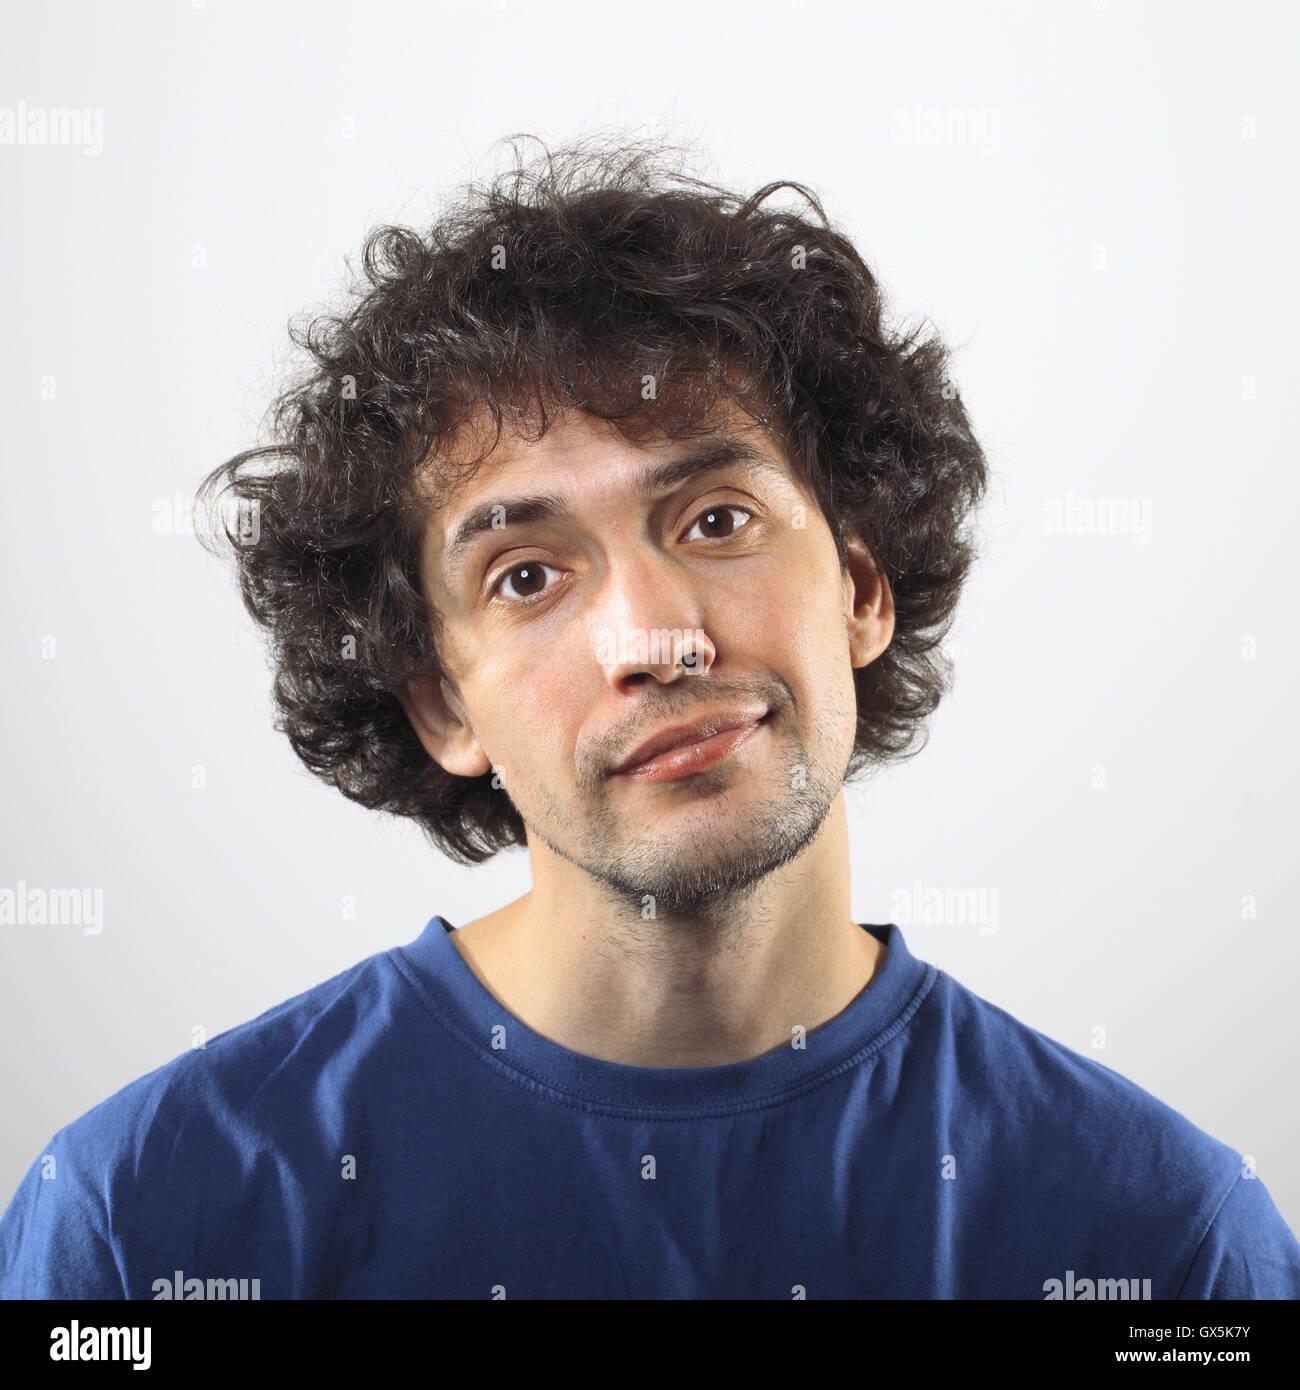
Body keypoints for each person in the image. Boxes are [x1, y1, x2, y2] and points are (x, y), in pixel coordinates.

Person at [3, 136, 1297, 1300]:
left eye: (717, 520)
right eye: (526, 576)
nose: (656, 638)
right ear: (444, 704)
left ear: (858, 585)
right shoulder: (146, 1225)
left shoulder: (1164, 1244)